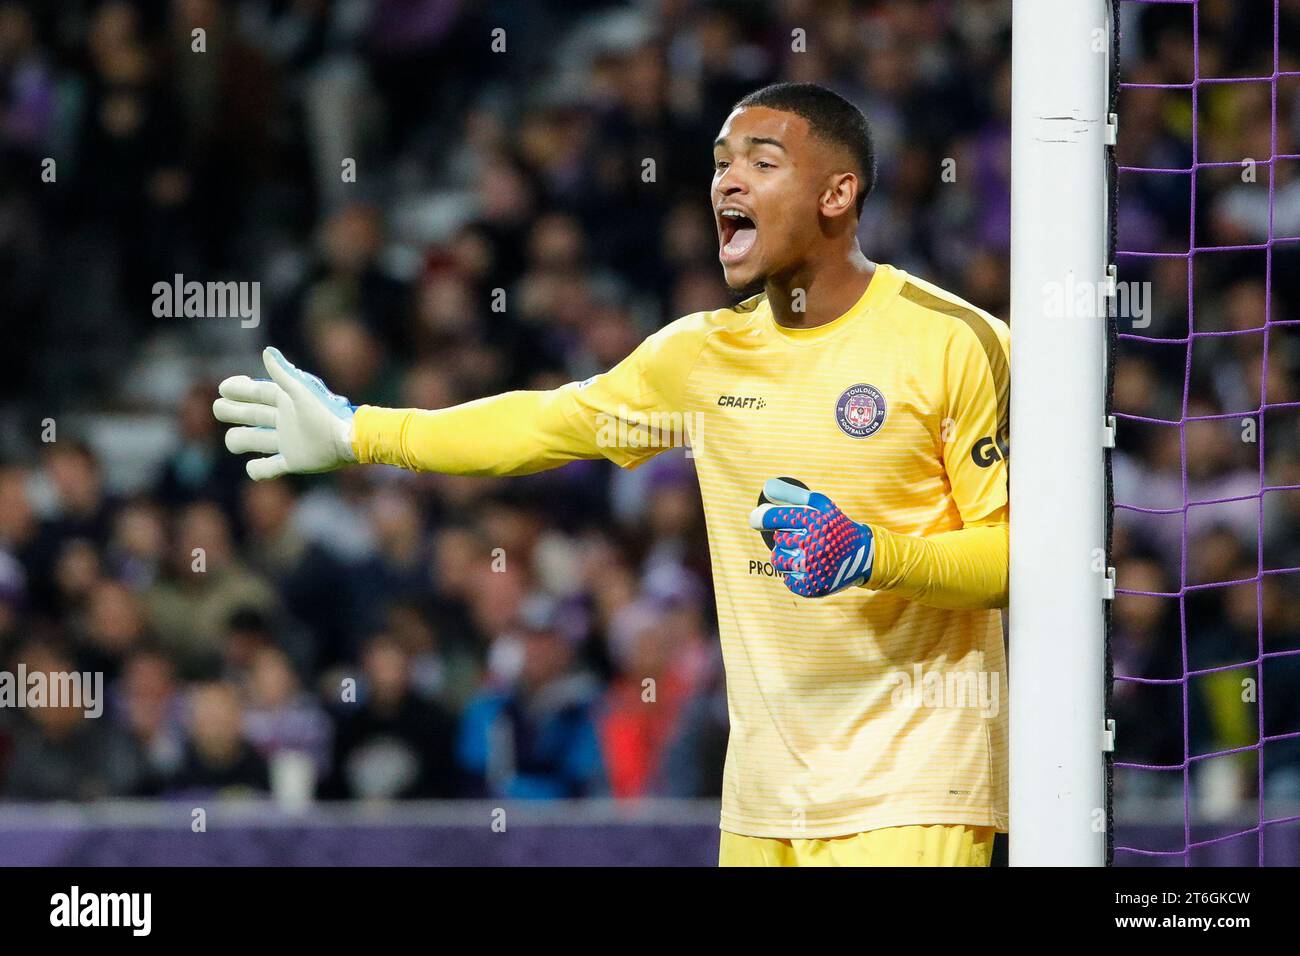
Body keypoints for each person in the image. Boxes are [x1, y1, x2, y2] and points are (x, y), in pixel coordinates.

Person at [213, 82, 1010, 867]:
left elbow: (1017, 560)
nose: (727, 181)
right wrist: (363, 431)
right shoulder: (701, 354)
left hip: (916, 787)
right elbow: (547, 422)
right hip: (765, 805)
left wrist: (873, 555)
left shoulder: (956, 343)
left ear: (839, 192)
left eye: (761, 164)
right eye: (720, 163)